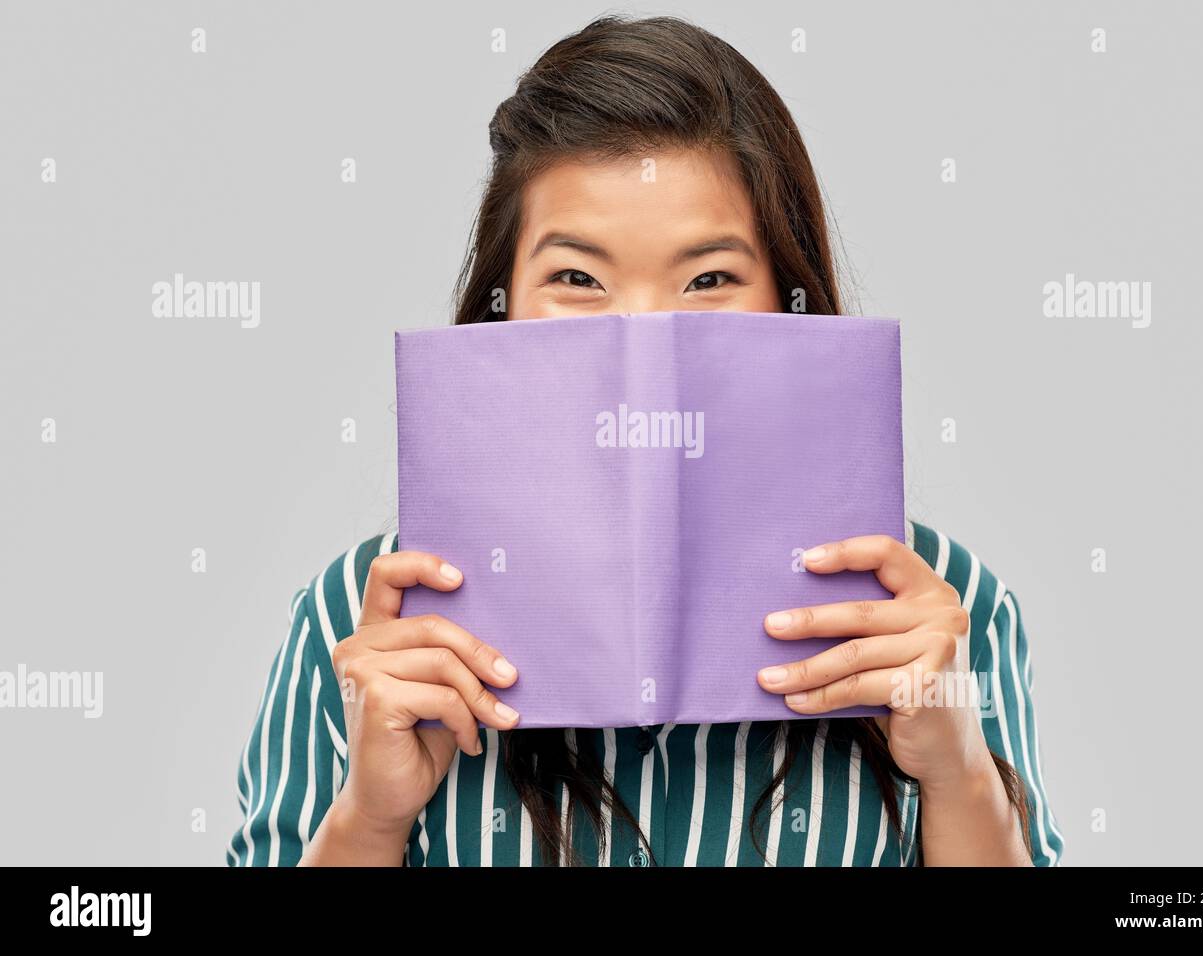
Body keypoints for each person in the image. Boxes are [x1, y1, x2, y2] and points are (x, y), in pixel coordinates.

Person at [227, 14, 1064, 867]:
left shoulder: (943, 608)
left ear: (790, 299)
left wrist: (959, 774)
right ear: (499, 304)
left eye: (709, 279)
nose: (642, 339)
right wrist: (371, 819)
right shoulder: (364, 622)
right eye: (576, 278)